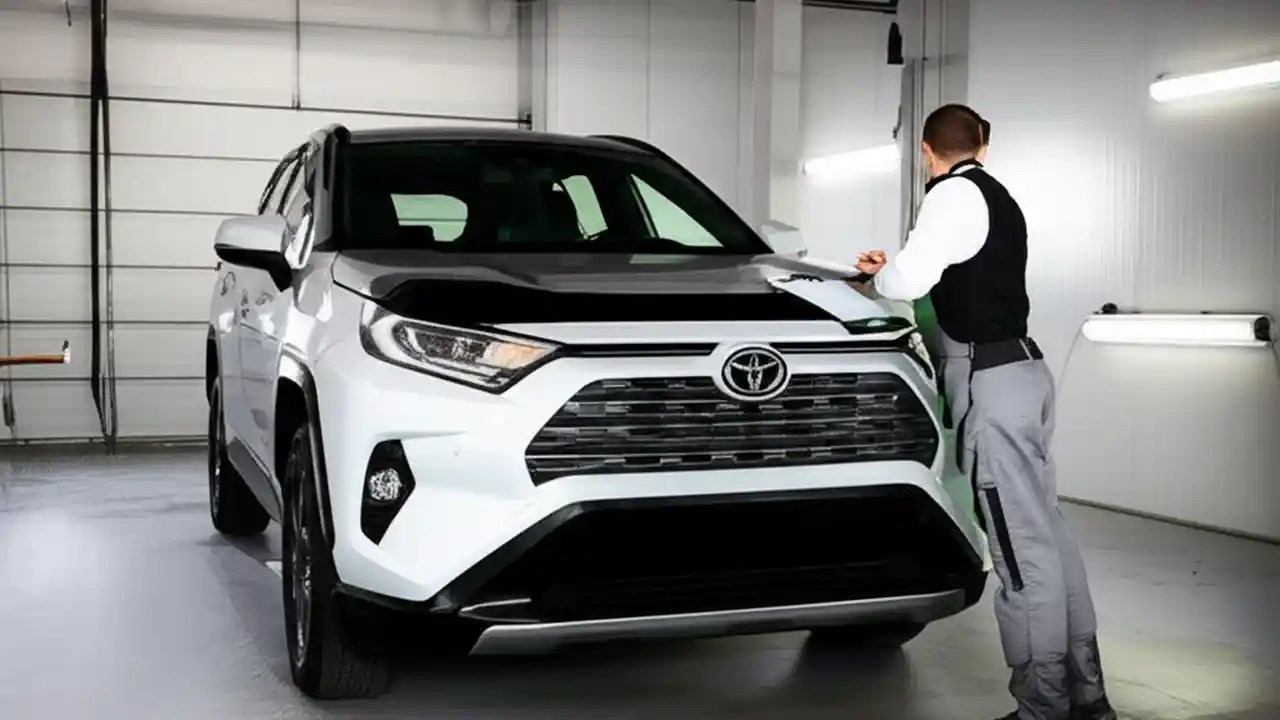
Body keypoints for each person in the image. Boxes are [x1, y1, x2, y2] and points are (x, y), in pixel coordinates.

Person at [854, 104, 1116, 720]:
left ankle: (1042, 708)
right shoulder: (997, 196)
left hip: (993, 382)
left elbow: (906, 282)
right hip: (1025, 372)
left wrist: (882, 274)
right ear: (984, 144)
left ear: (926, 150)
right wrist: (896, 270)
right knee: (1050, 541)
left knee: (1021, 552)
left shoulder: (948, 195)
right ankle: (1087, 697)